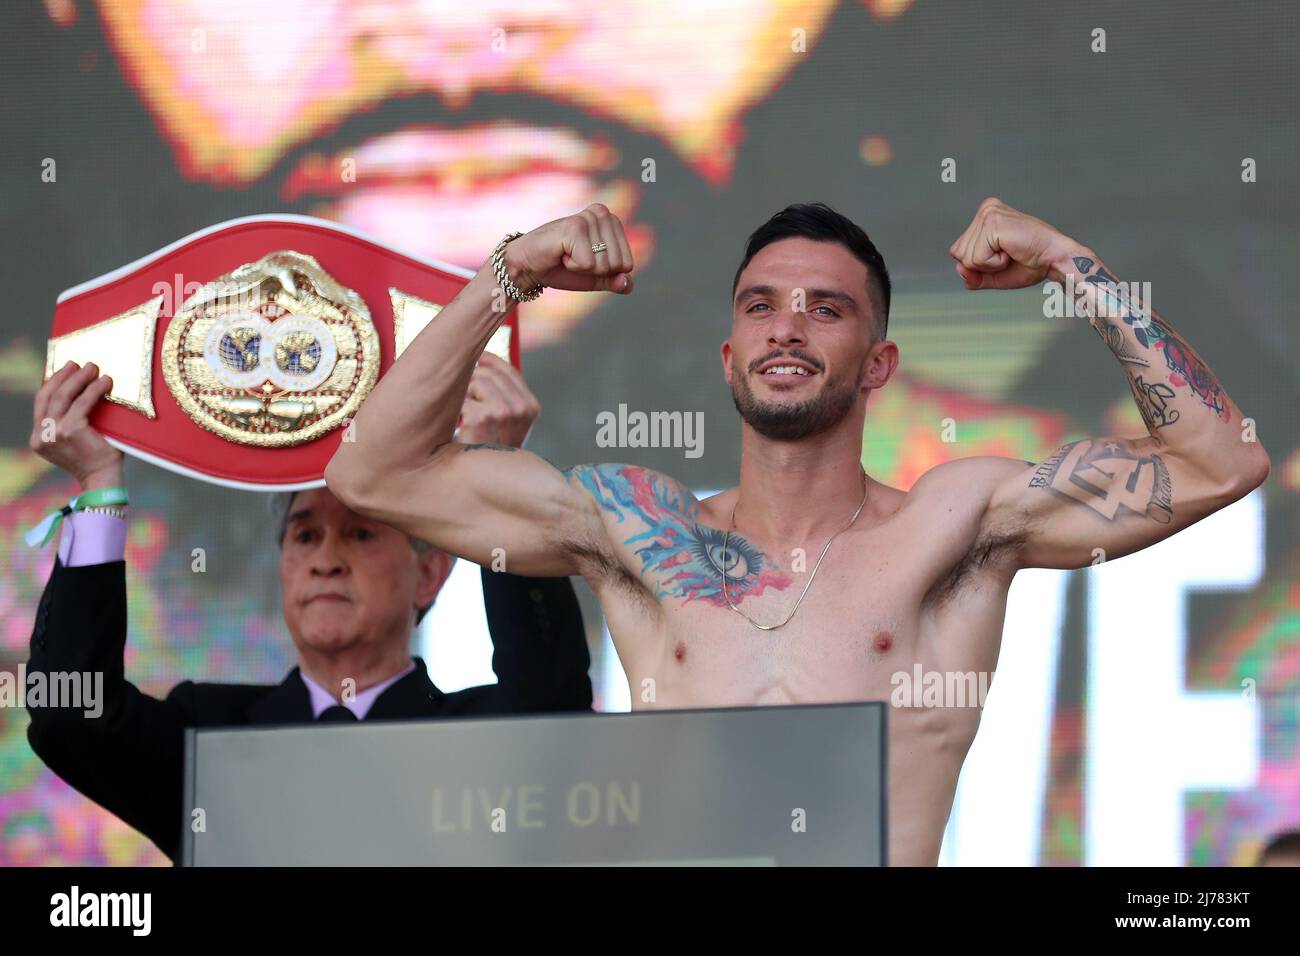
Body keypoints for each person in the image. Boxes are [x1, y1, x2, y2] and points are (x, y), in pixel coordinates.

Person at [325, 199, 1270, 866]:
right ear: (730, 357)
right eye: (762, 306)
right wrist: (512, 272)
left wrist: (1068, 262)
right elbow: (372, 470)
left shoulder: (955, 527)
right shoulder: (641, 535)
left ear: (879, 363)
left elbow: (1218, 461)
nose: (789, 328)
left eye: (827, 310)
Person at [26, 356, 591, 864]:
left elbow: (554, 710)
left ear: (429, 574)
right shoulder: (209, 735)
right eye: (304, 536)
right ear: (283, 568)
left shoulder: (481, 740)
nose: (327, 559)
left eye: (361, 534)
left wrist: (499, 474)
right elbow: (71, 715)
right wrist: (99, 488)